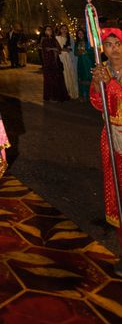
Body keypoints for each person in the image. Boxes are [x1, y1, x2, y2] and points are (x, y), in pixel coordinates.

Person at [90, 27, 122, 276]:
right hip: (112, 138)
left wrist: (110, 85)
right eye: (109, 44)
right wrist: (96, 82)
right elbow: (97, 102)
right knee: (119, 195)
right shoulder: (103, 70)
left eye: (118, 43)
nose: (114, 48)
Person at [40, 25, 69, 102]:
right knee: (50, 80)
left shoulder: (54, 39)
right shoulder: (44, 40)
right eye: (47, 29)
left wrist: (52, 49)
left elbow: (59, 50)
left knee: (58, 79)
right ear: (45, 31)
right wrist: (54, 49)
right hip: (48, 62)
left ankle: (58, 96)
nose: (49, 30)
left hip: (56, 61)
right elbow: (45, 50)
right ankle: (50, 97)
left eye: (50, 29)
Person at [56, 24, 78, 99]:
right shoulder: (57, 38)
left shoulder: (70, 38)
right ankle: (63, 92)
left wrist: (69, 49)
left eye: (65, 29)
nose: (64, 30)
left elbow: (72, 48)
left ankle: (70, 91)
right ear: (60, 30)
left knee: (69, 73)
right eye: (62, 29)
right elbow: (57, 48)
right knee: (63, 73)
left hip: (68, 57)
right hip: (61, 57)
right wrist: (62, 49)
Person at [74, 27, 94, 102]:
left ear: (84, 34)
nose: (80, 35)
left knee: (89, 77)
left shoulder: (88, 42)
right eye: (79, 33)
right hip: (81, 63)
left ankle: (90, 95)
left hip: (88, 62)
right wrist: (80, 52)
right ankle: (82, 95)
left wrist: (86, 52)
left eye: (81, 33)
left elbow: (92, 52)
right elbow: (75, 53)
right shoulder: (77, 43)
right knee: (81, 77)